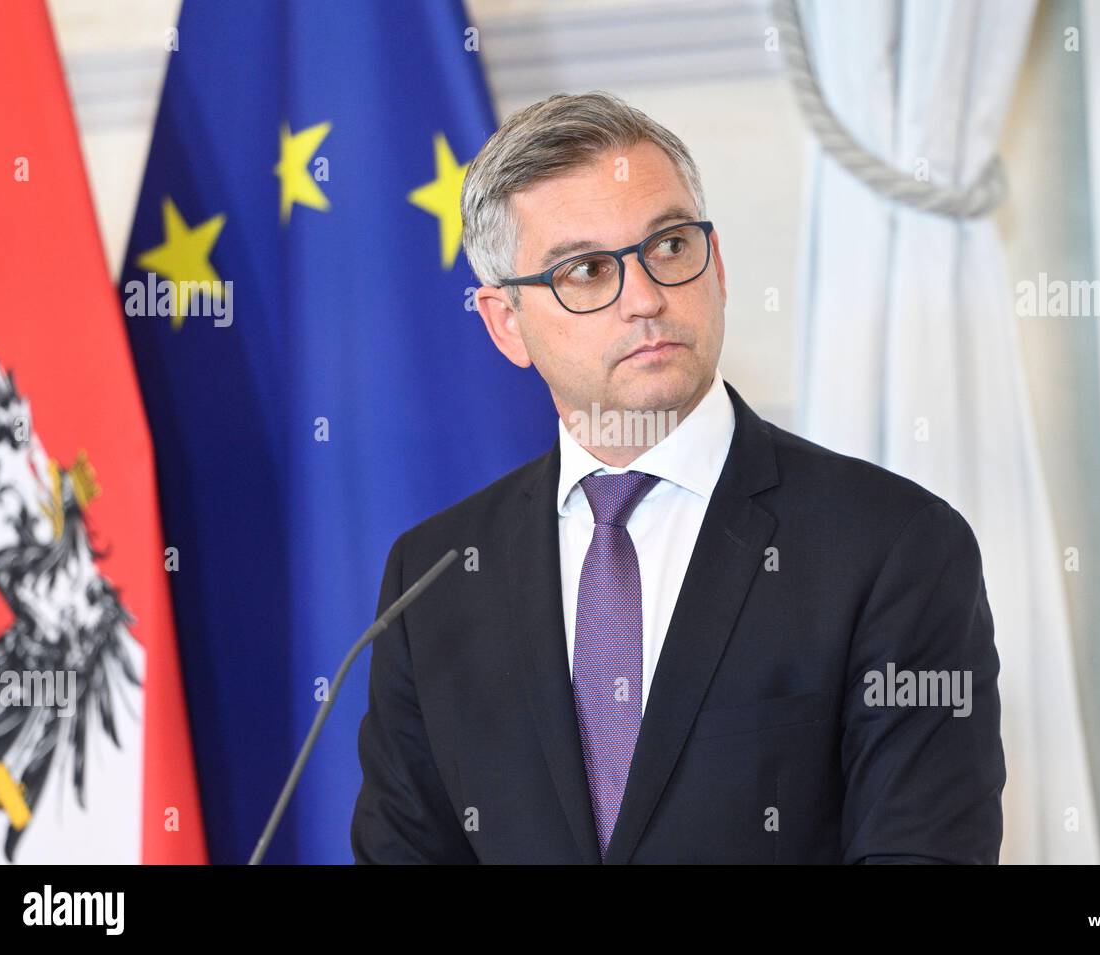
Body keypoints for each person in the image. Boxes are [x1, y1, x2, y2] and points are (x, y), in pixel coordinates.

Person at [351, 91, 1004, 864]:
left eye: (667, 247)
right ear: (505, 323)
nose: (647, 299)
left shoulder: (893, 546)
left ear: (717, 265)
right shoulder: (434, 576)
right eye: (587, 270)